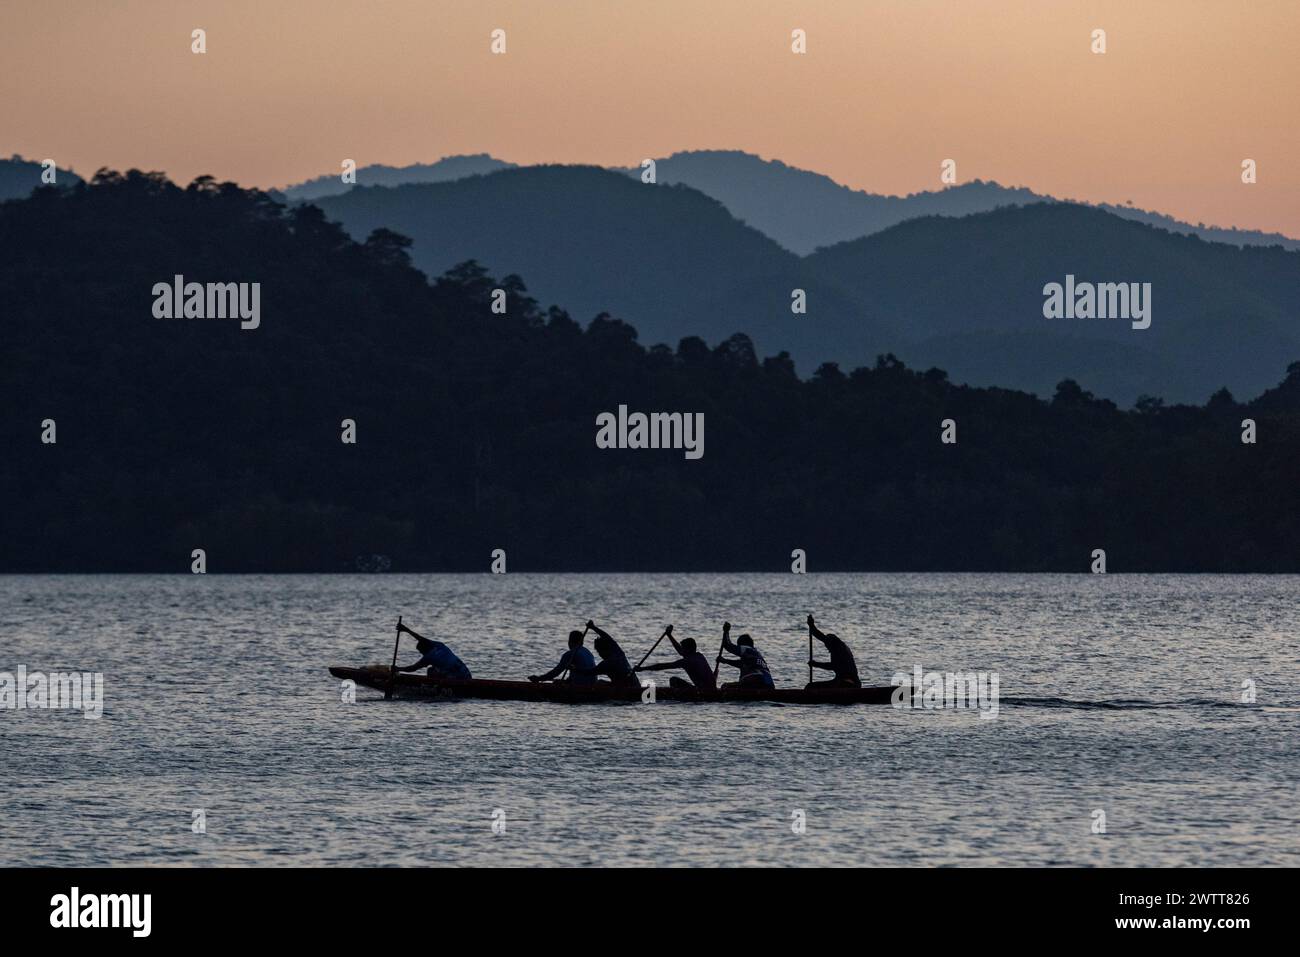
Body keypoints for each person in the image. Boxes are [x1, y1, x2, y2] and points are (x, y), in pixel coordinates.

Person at [634, 625, 717, 691]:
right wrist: (669, 635)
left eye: (683, 648)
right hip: (711, 689)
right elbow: (681, 651)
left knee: (674, 680)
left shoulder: (687, 661)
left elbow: (663, 666)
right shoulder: (699, 656)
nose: (681, 651)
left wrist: (642, 669)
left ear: (688, 649)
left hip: (703, 692)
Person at [393, 623, 471, 680]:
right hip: (467, 674)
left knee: (431, 670)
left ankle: (434, 690)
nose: (422, 654)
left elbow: (413, 668)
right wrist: (406, 630)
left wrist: (398, 669)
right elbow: (420, 638)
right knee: (436, 667)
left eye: (421, 652)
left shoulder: (428, 657)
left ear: (424, 650)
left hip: (457, 678)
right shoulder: (439, 645)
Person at [575, 620, 640, 687]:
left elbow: (587, 673)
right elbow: (607, 637)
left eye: (599, 652)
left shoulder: (606, 664)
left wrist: (573, 669)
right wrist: (593, 627)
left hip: (624, 690)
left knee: (598, 684)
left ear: (602, 651)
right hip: (636, 685)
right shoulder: (618, 653)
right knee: (601, 682)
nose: (600, 655)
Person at [806, 614, 861, 688]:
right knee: (810, 686)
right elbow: (822, 637)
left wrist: (816, 664)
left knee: (810, 687)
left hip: (850, 683)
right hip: (840, 680)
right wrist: (811, 626)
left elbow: (833, 666)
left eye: (827, 645)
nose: (827, 647)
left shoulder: (839, 650)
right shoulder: (837, 645)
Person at [717, 621, 774, 690]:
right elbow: (743, 664)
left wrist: (726, 631)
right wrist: (725, 660)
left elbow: (728, 646)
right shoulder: (757, 655)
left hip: (755, 680)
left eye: (739, 646)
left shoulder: (746, 649)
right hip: (769, 684)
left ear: (742, 644)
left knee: (725, 686)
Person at [528, 629, 597, 685]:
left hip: (580, 686)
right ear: (582, 642)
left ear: (570, 641)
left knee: (556, 683)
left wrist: (539, 679)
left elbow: (556, 672)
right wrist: (567, 681)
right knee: (560, 682)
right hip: (592, 683)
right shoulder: (588, 652)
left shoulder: (570, 654)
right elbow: (580, 670)